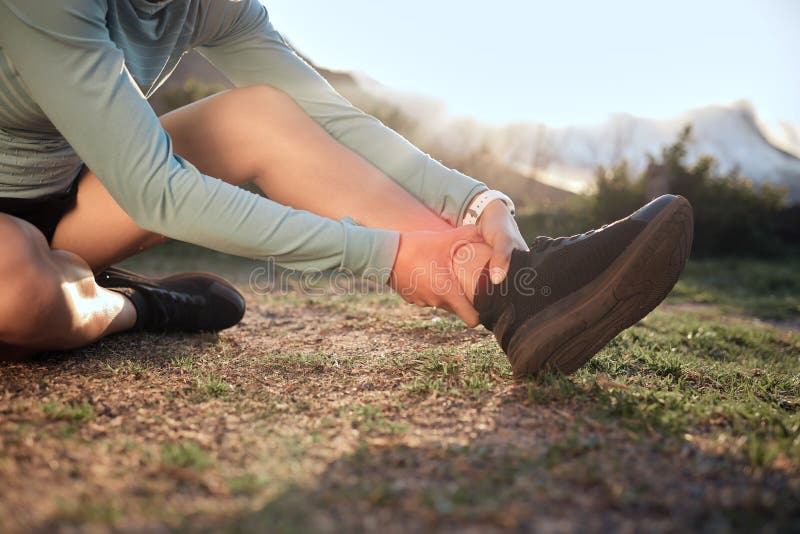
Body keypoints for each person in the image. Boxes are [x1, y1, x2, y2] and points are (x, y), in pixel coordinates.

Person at [0, 0, 693, 376]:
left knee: (263, 115)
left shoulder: (209, 5)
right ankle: (137, 303)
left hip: (76, 194)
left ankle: (513, 289)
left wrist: (477, 201)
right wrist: (383, 255)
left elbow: (329, 115)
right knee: (23, 293)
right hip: (62, 216)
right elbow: (154, 191)